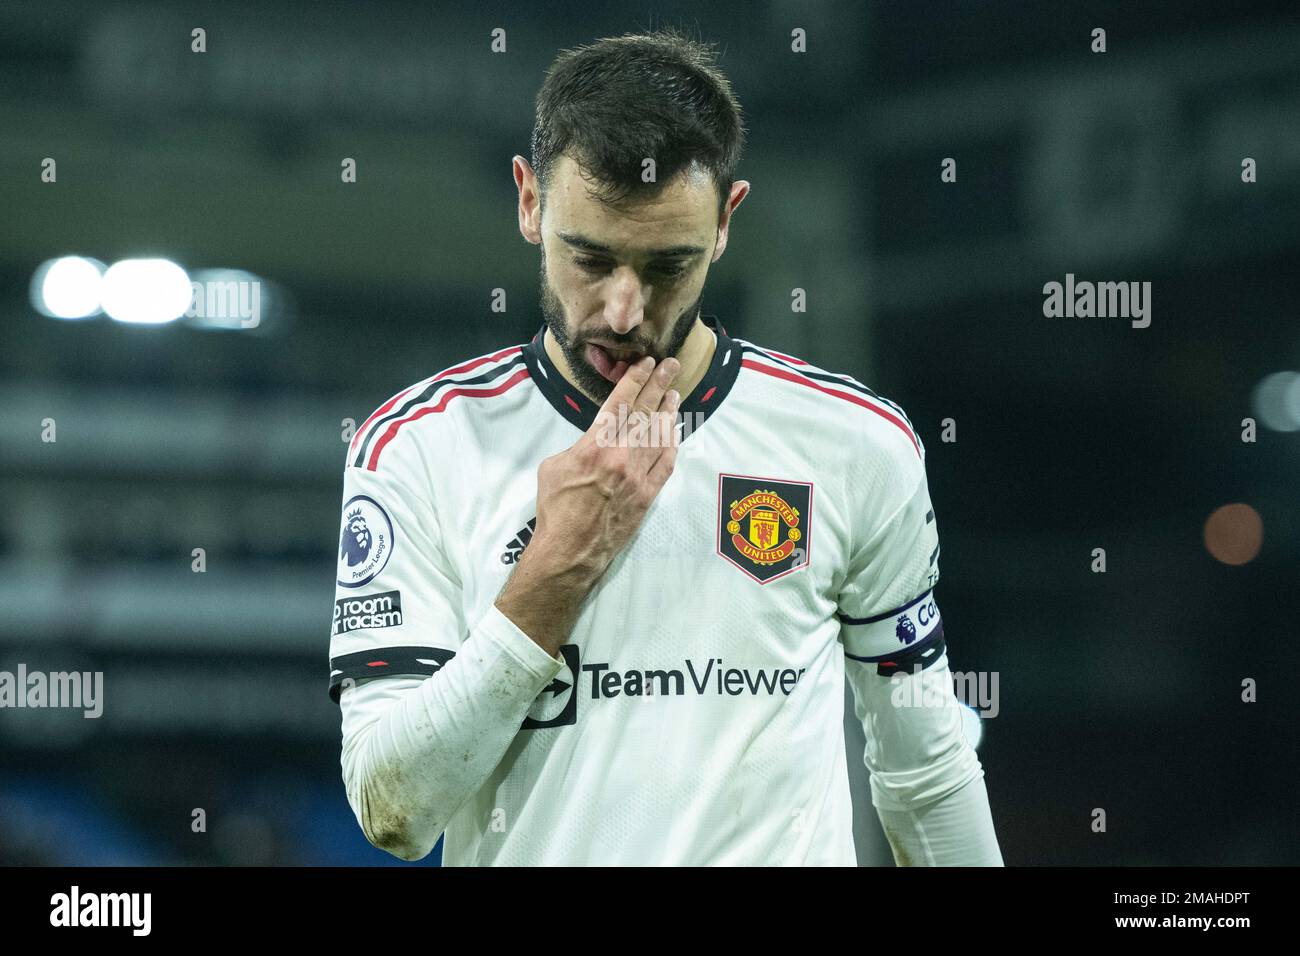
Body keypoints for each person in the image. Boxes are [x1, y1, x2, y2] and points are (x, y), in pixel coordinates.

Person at [328, 27, 1003, 866]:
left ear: (726, 221)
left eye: (665, 267)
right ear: (529, 201)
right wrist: (558, 564)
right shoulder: (417, 449)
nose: (621, 309)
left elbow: (927, 772)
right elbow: (395, 811)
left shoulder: (857, 446)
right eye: (591, 258)